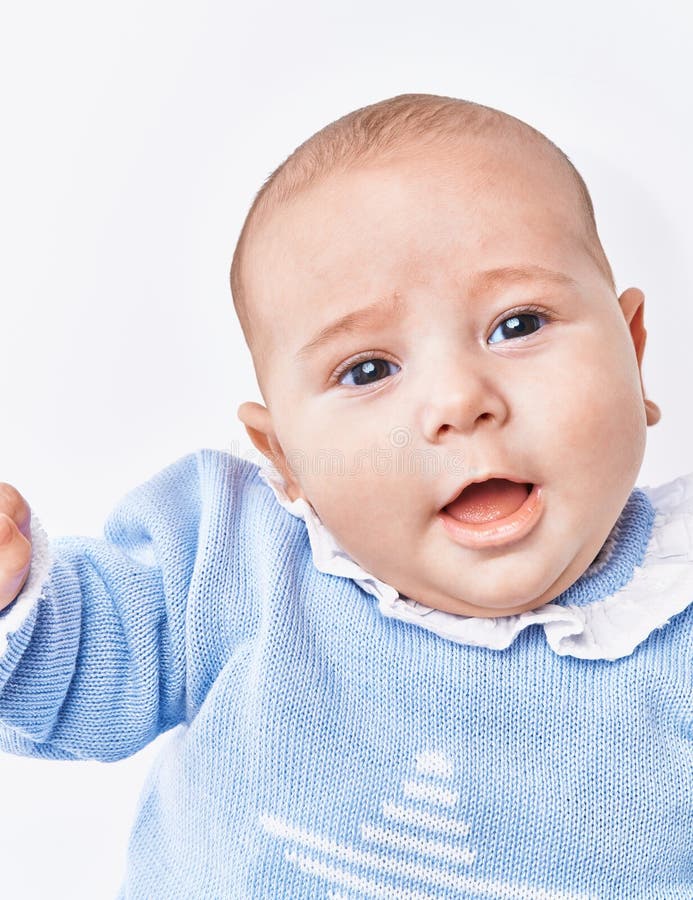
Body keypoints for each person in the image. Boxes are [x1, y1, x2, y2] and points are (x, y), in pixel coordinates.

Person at [0, 93, 690, 899]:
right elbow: (77, 674)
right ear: (285, 458)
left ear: (633, 355)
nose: (458, 402)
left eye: (519, 324)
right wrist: (18, 602)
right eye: (367, 371)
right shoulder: (229, 556)